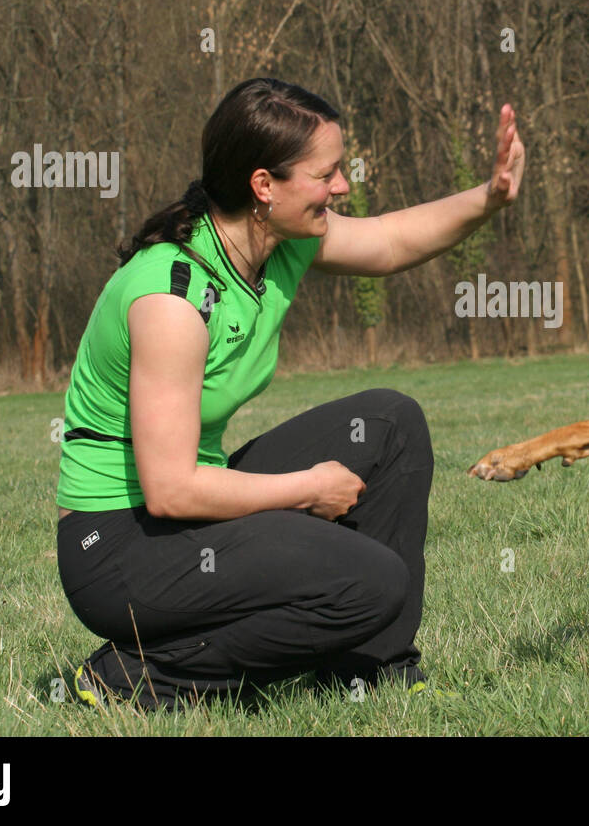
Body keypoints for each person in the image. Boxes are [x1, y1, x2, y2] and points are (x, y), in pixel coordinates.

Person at [55, 77, 525, 710]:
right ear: (263, 186)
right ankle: (141, 674)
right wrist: (307, 487)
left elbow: (387, 241)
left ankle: (369, 668)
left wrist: (489, 197)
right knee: (371, 581)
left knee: (391, 421)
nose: (341, 187)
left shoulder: (278, 242)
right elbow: (169, 490)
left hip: (183, 510)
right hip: (120, 549)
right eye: (326, 173)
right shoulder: (172, 299)